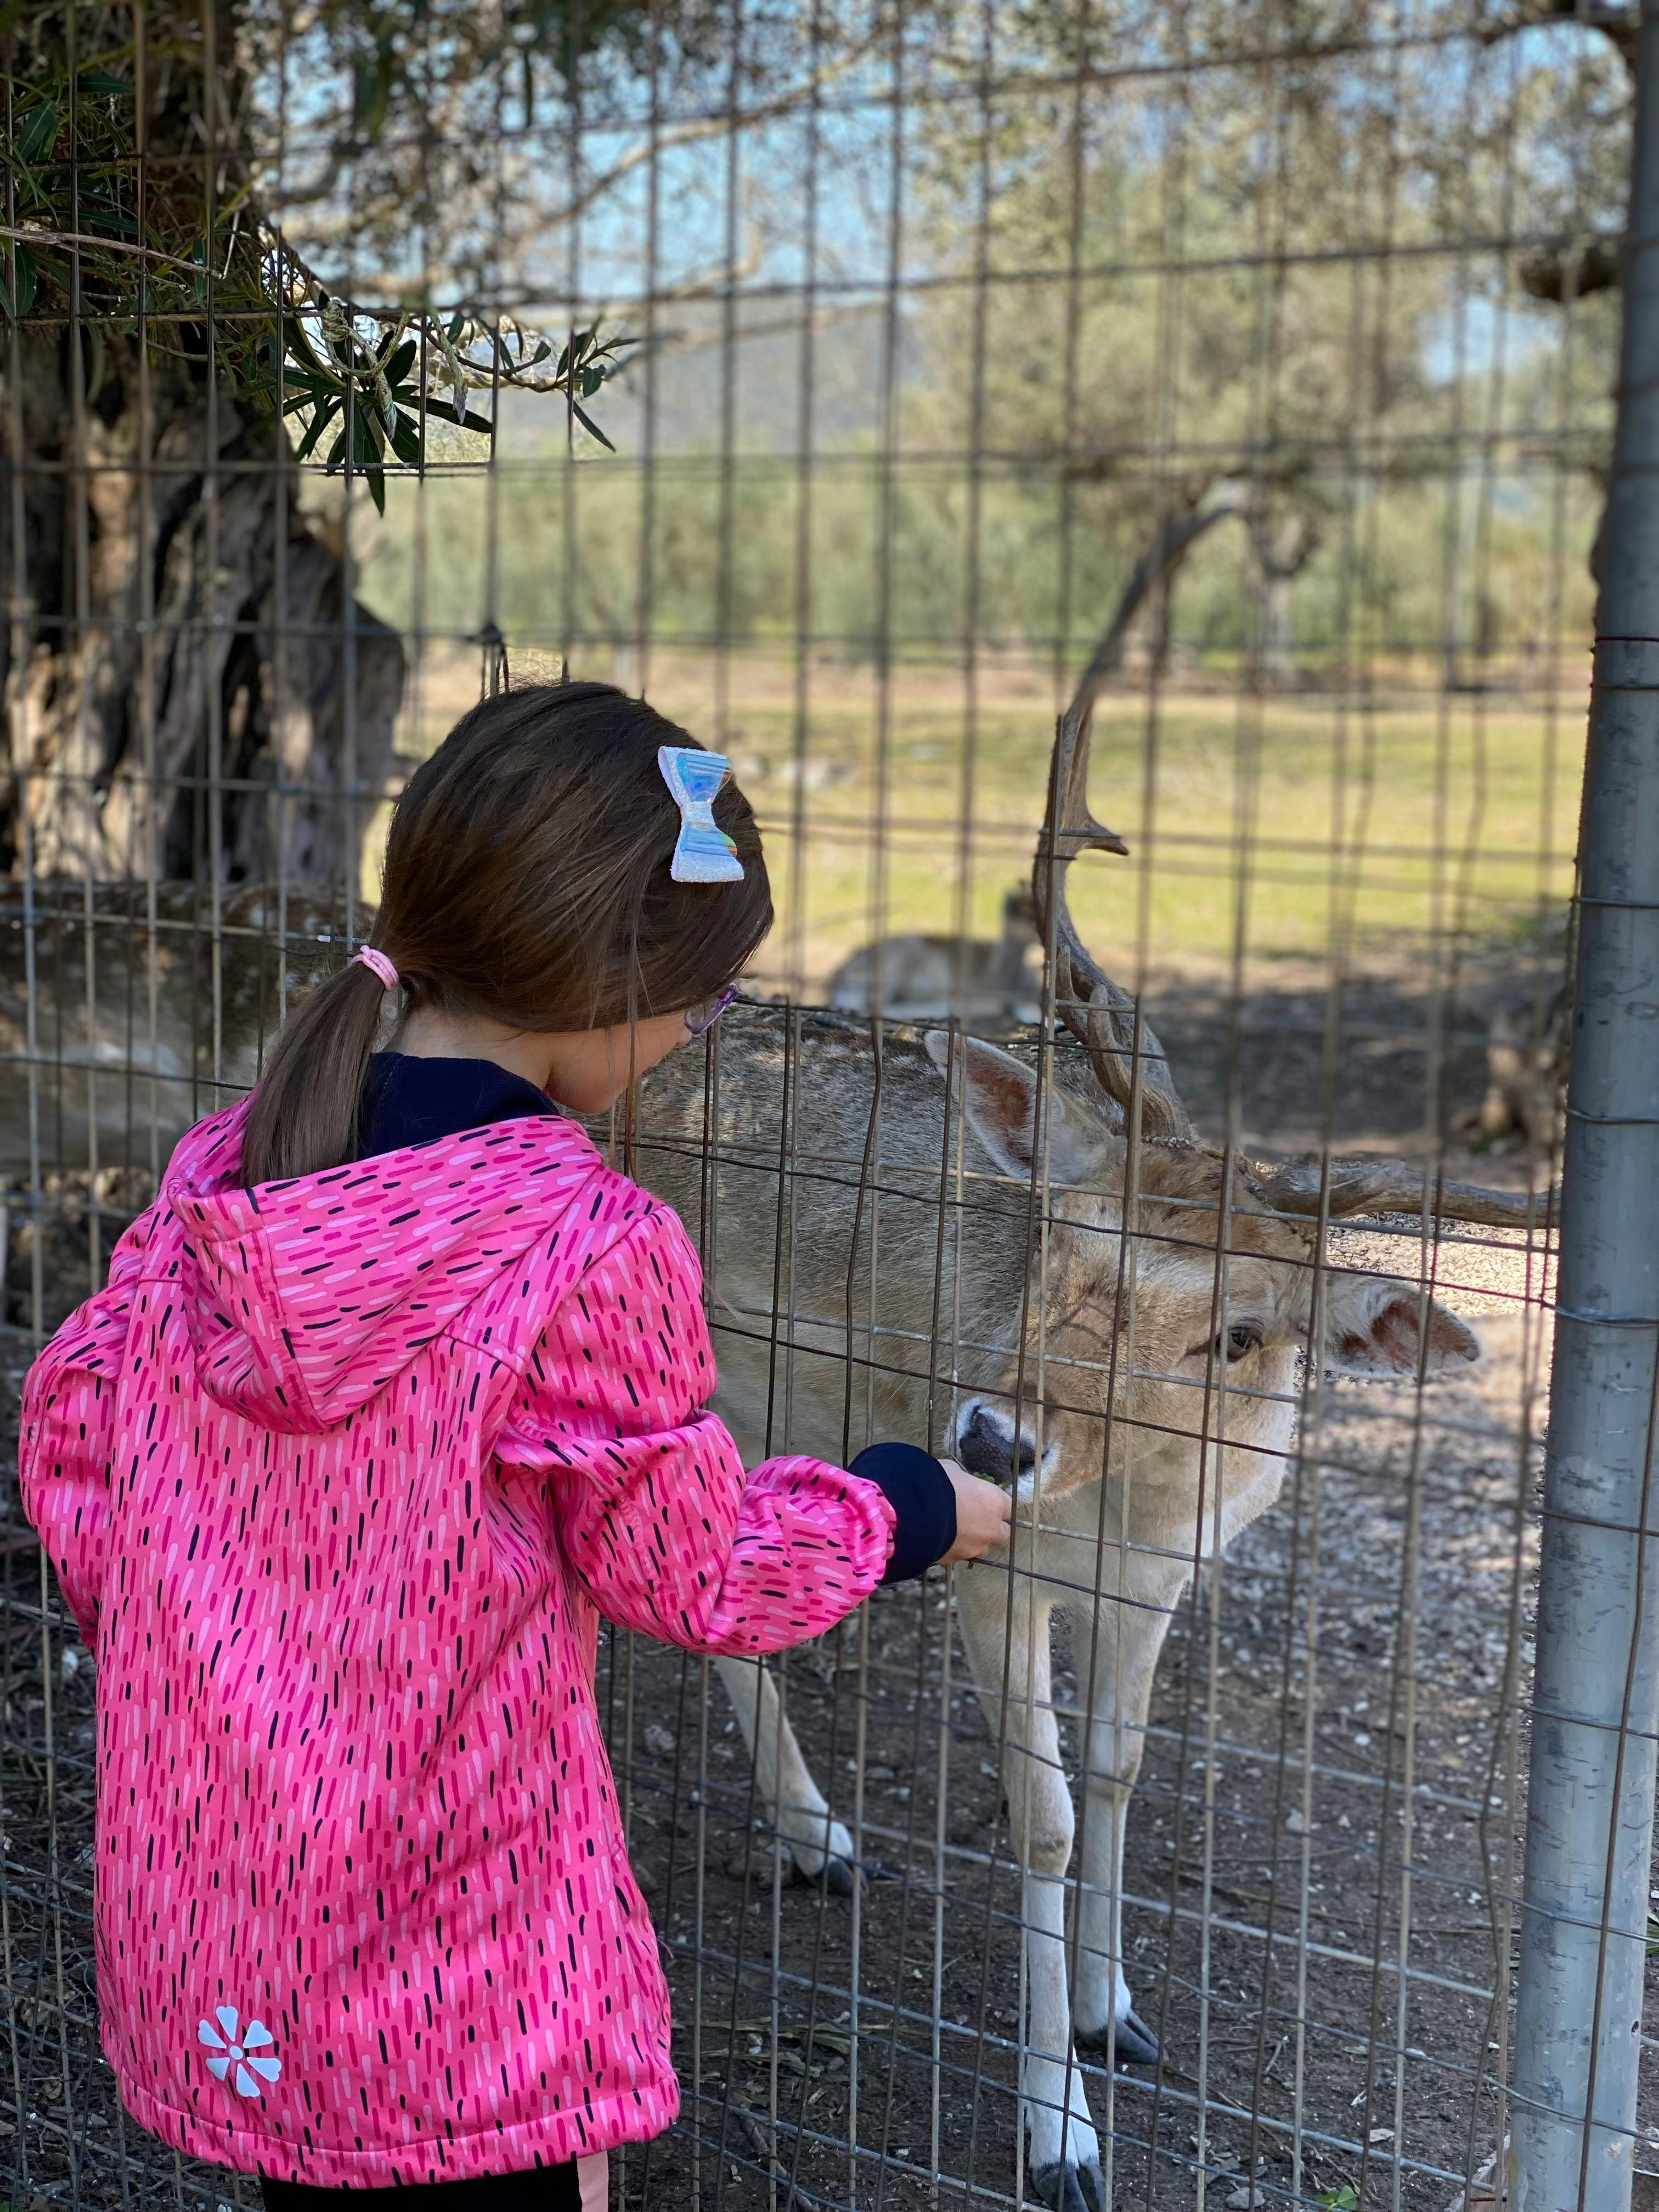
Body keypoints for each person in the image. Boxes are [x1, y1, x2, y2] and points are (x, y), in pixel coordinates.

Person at [18, 681, 1011, 2210]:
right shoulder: (578, 1239)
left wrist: (207, 1666)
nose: (695, 1035)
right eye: (702, 1001)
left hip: (222, 1943)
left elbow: (76, 1438)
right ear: (611, 981)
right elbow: (699, 1577)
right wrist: (899, 1506)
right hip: (464, 1983)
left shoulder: (226, 1175)